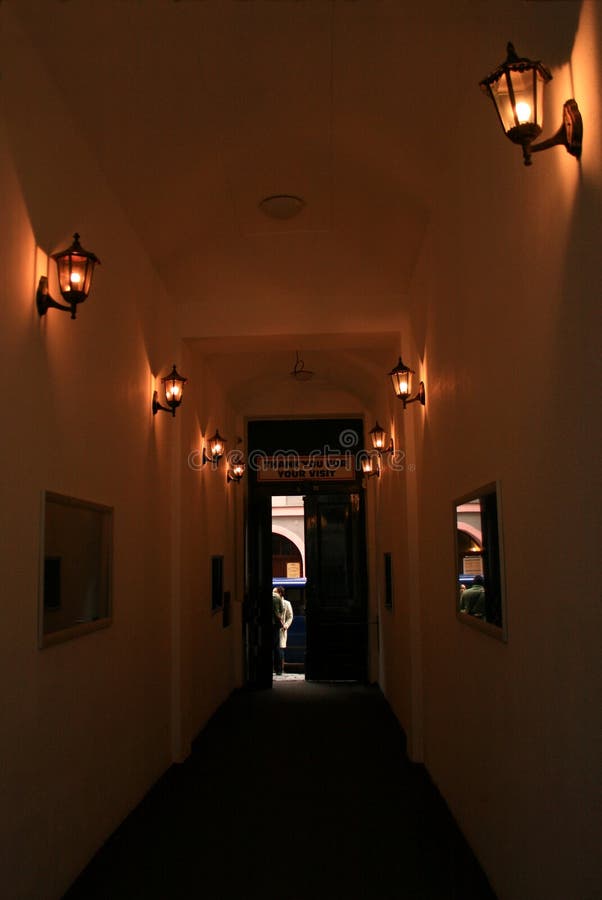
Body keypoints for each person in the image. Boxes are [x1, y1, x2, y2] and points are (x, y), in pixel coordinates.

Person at [278, 589, 294, 674]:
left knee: (280, 649)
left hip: (281, 629)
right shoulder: (272, 602)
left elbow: (290, 616)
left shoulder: (286, 603)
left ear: (280, 593)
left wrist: (286, 626)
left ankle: (280, 669)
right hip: (273, 629)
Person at [272, 586, 285, 674]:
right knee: (276, 647)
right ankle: (279, 670)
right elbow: (282, 610)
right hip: (275, 625)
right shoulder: (277, 597)